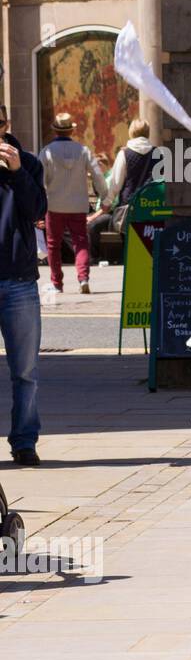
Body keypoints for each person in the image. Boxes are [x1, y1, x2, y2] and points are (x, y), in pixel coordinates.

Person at [0, 120, 48, 466]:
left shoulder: (29, 163)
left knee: (25, 371)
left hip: (19, 280)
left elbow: (37, 212)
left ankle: (24, 441)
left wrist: (17, 172)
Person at [39, 112, 107, 294]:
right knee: (81, 242)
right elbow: (98, 176)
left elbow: (40, 180)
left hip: (54, 205)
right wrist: (106, 197)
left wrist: (39, 202)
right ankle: (83, 278)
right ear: (71, 131)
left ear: (55, 131)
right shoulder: (83, 151)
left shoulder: (46, 152)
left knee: (53, 244)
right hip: (78, 205)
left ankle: (57, 283)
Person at [88, 118, 159, 263]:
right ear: (147, 132)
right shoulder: (159, 153)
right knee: (148, 244)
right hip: (151, 205)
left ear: (131, 132)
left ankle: (131, 271)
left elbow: (115, 184)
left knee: (128, 242)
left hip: (129, 205)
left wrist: (106, 204)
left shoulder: (125, 154)